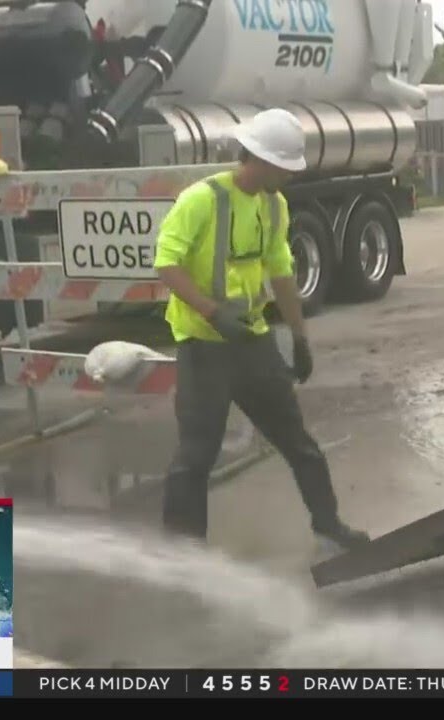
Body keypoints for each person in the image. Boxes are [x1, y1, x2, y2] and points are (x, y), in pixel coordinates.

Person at [151, 108, 370, 551]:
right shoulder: (201, 200)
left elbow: (282, 271)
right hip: (204, 345)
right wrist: (212, 312)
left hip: (252, 342)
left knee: (299, 443)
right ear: (261, 160)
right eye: (285, 167)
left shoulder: (274, 205)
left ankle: (328, 523)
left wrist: (300, 337)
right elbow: (166, 265)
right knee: (195, 457)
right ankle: (183, 553)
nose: (289, 176)